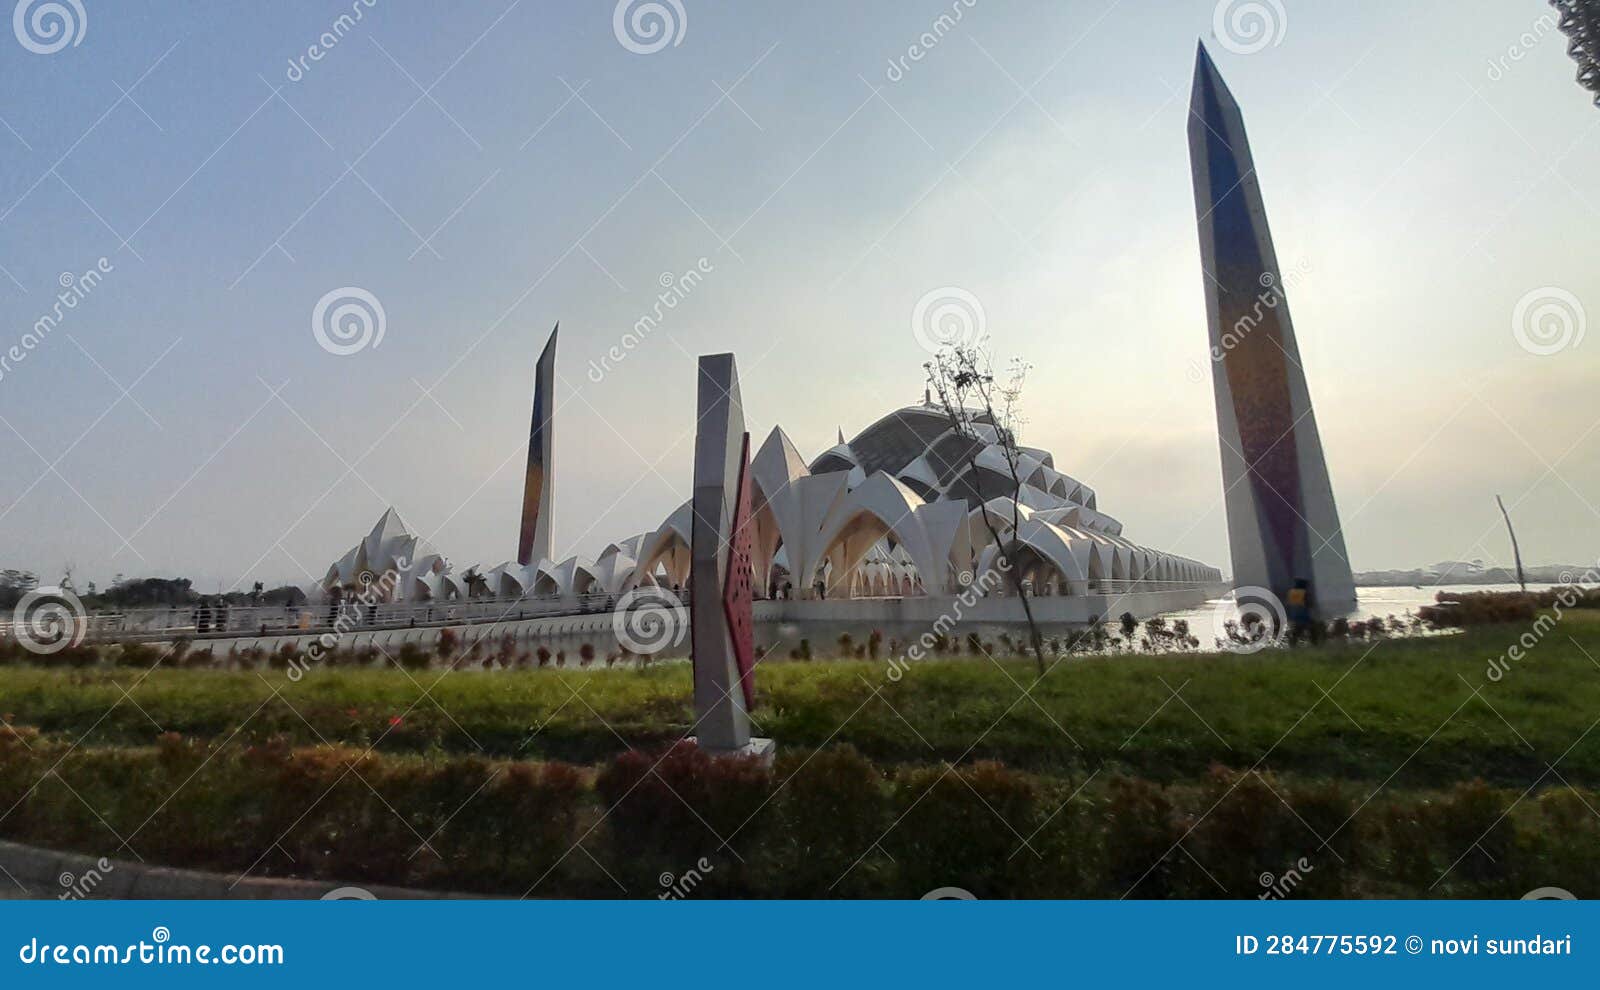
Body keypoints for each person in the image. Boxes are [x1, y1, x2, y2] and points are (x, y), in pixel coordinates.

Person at [1286, 579, 1313, 645]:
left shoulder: (1291, 592)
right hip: (1303, 615)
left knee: (1295, 632)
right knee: (1312, 632)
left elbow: (1288, 604)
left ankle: (1292, 645)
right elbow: (1309, 604)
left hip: (1293, 616)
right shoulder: (1304, 592)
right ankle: (1315, 644)